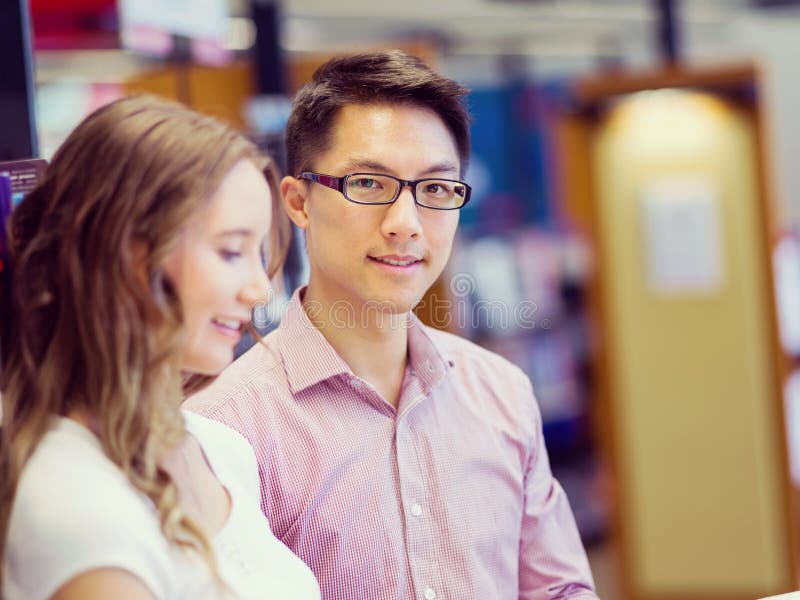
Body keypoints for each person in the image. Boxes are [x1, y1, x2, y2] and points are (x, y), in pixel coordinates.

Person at [186, 51, 599, 599]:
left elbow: (559, 590)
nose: (405, 224)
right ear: (297, 201)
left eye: (435, 189)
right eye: (369, 184)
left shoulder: (500, 391)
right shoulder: (222, 428)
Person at [0, 96, 321, 600]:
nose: (259, 289)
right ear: (125, 254)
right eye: (231, 251)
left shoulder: (221, 450)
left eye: (259, 254)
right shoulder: (71, 499)